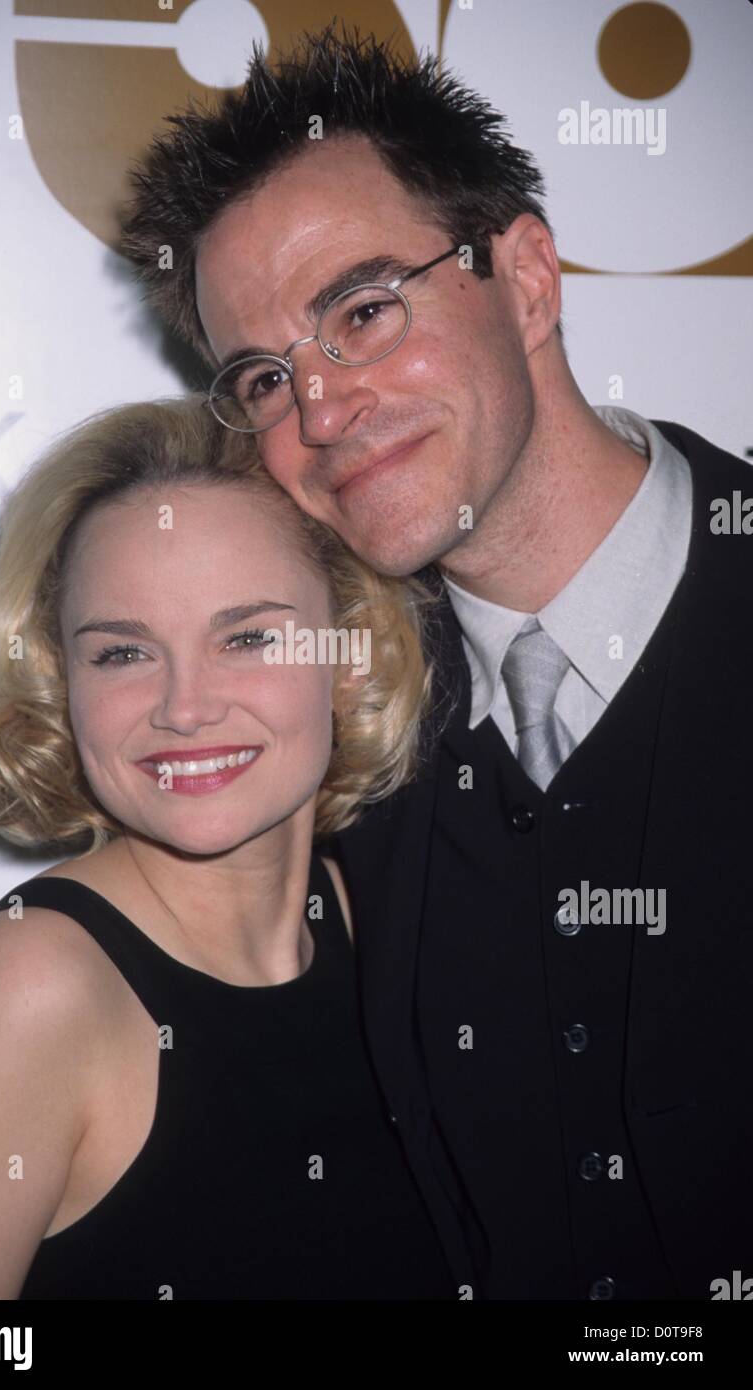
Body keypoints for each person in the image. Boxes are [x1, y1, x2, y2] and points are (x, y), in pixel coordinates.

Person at [117, 27, 753, 1300]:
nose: (319, 410)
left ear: (523, 279)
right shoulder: (323, 726)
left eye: (361, 309)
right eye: (260, 375)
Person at [0, 398, 463, 1300]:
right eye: (121, 654)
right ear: (61, 681)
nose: (184, 708)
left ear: (348, 657)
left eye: (247, 637)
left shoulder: (387, 920)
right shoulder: (34, 985)